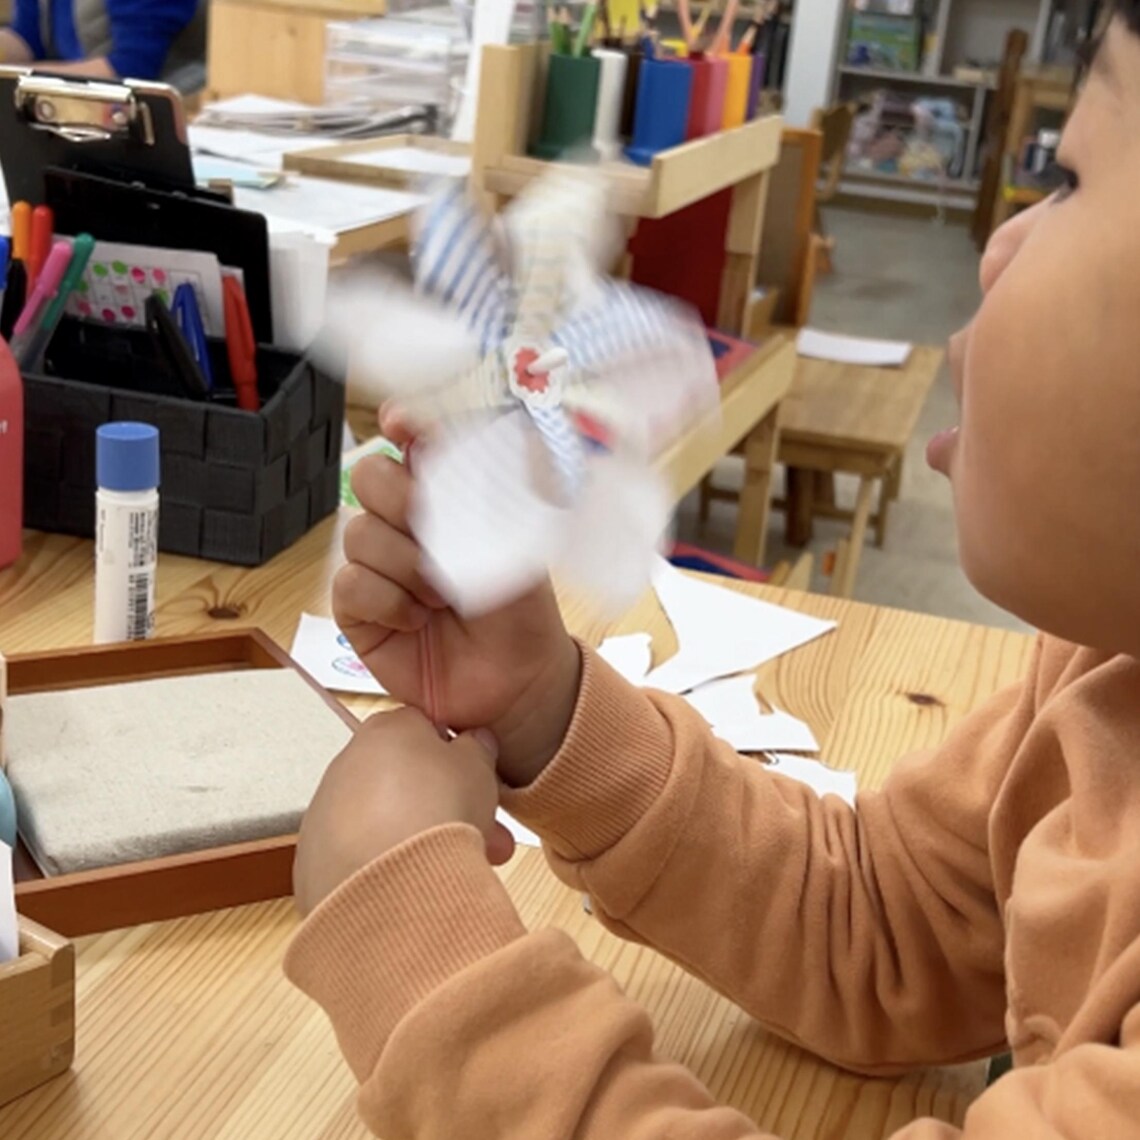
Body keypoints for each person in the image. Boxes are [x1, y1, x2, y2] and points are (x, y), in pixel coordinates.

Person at [285, 4, 1140, 1136]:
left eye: (1071, 180)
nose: (999, 244)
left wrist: (414, 951)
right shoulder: (1099, 668)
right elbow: (887, 927)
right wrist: (546, 708)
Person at [0, 0, 199, 81]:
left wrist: (11, 80)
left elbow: (129, 69)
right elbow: (28, 37)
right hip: (69, 101)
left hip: (141, 121)